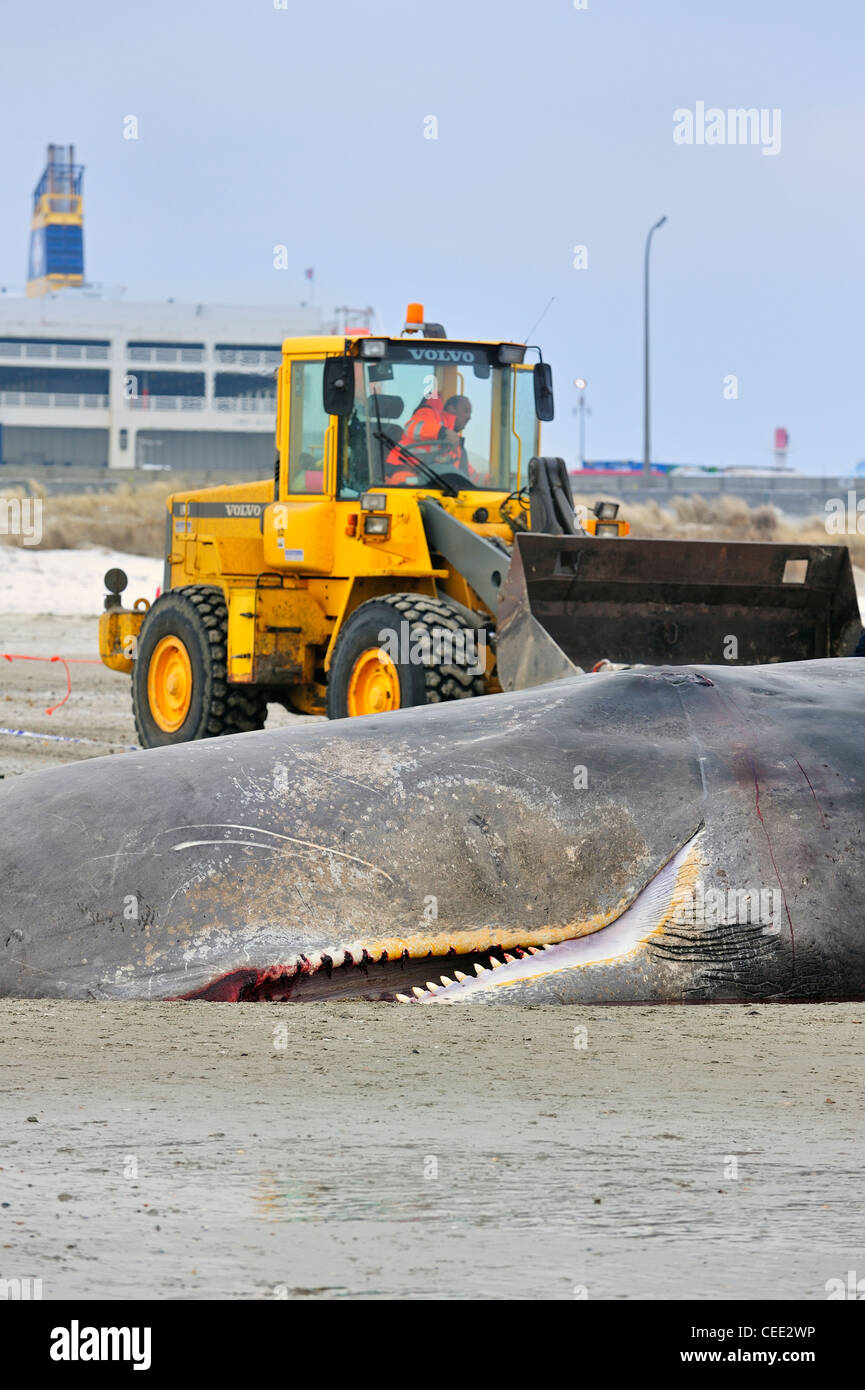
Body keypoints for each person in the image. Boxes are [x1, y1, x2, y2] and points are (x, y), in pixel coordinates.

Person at [386, 391, 473, 483]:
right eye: (466, 411)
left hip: (436, 483)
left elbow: (468, 473)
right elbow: (413, 427)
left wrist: (488, 478)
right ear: (452, 409)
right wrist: (442, 432)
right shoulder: (428, 413)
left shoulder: (456, 444)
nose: (469, 417)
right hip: (403, 469)